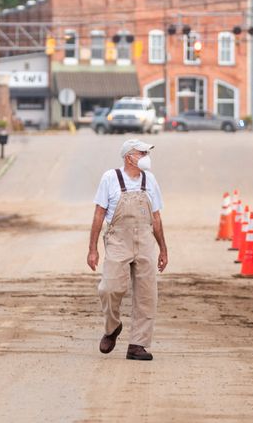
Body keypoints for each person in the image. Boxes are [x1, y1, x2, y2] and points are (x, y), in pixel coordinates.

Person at [87, 138, 167, 361]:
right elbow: (98, 214)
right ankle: (112, 328)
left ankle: (137, 345)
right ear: (128, 157)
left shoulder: (150, 180)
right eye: (141, 153)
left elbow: (157, 217)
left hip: (144, 239)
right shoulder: (110, 178)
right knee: (109, 288)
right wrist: (92, 249)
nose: (145, 157)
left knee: (146, 295)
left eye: (146, 153)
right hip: (118, 240)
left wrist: (163, 249)